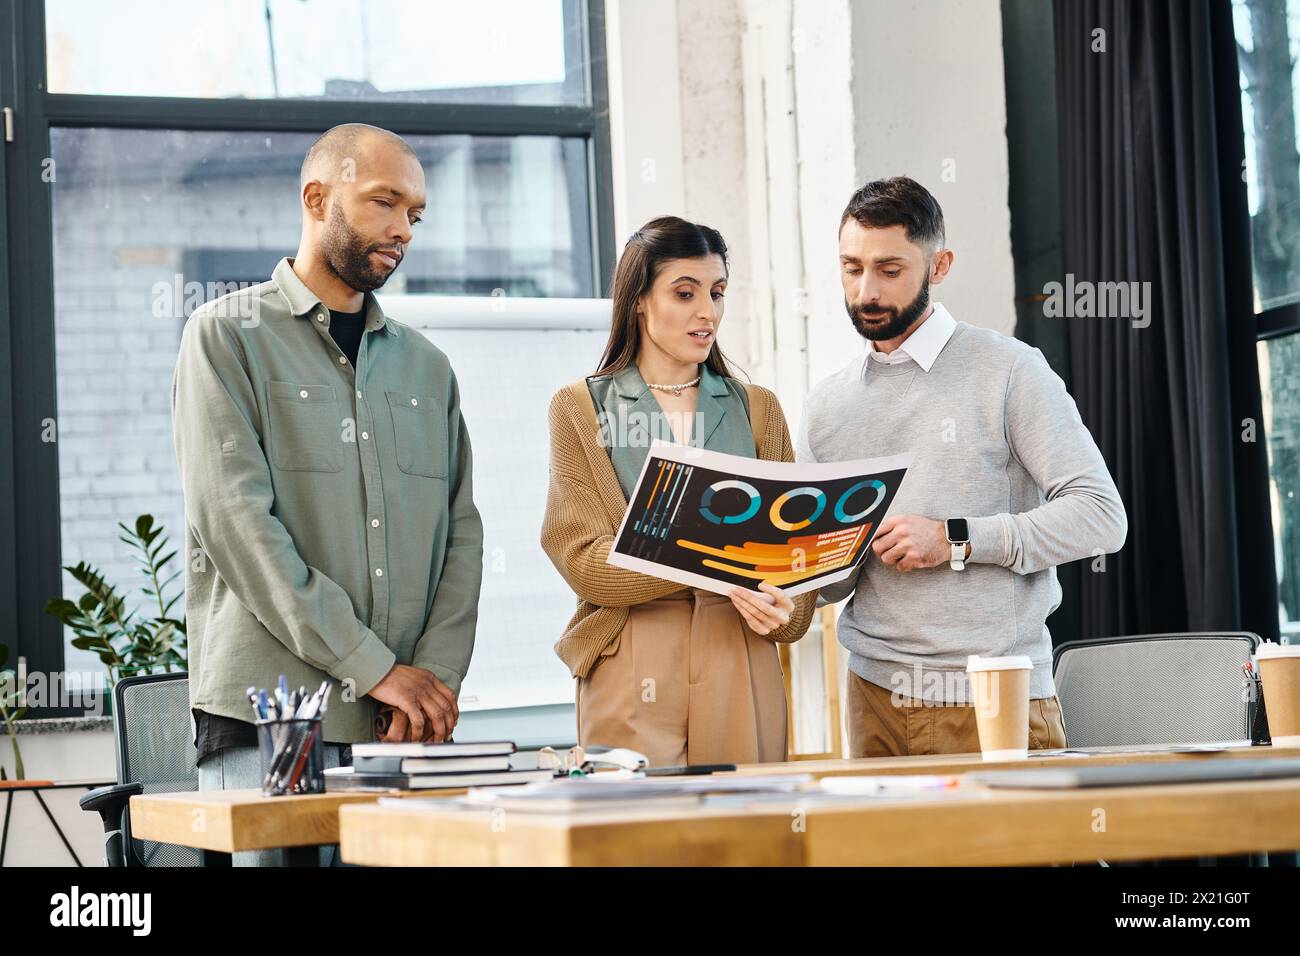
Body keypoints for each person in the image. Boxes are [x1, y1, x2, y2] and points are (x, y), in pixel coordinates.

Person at [171, 124, 483, 860]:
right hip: (270, 721)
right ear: (317, 198)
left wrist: (428, 683)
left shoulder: (428, 370)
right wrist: (375, 670)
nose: (403, 229)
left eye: (415, 214)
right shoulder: (225, 338)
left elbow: (461, 533)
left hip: (398, 727)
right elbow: (240, 527)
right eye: (384, 203)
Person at [798, 176, 1128, 758]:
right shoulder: (829, 406)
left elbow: (1102, 517)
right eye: (851, 268)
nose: (866, 290)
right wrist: (781, 572)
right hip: (873, 695)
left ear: (939, 264)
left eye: (890, 269)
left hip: (997, 695)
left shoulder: (1010, 370)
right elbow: (833, 576)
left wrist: (956, 539)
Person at [541, 216, 816, 767]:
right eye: (684, 293)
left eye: (716, 293)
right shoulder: (581, 407)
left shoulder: (757, 408)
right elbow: (582, 560)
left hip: (740, 648)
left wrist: (787, 612)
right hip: (630, 652)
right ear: (639, 300)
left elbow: (797, 566)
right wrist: (712, 550)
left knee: (746, 839)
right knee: (638, 840)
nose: (707, 312)